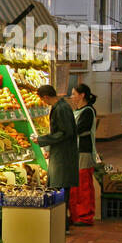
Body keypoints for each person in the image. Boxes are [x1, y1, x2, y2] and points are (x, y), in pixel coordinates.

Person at [31, 84, 79, 224]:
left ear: (46, 97)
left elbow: (64, 133)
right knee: (60, 190)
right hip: (60, 154)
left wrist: (41, 140)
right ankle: (61, 223)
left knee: (60, 190)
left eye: (42, 99)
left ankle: (61, 224)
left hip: (63, 157)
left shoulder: (61, 109)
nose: (43, 102)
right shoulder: (61, 107)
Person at [67, 83, 99, 226]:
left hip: (84, 152)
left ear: (82, 95)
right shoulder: (77, 111)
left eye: (74, 94)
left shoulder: (88, 111)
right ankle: (75, 215)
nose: (72, 97)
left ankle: (85, 216)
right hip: (75, 152)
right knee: (75, 186)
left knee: (83, 186)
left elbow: (78, 130)